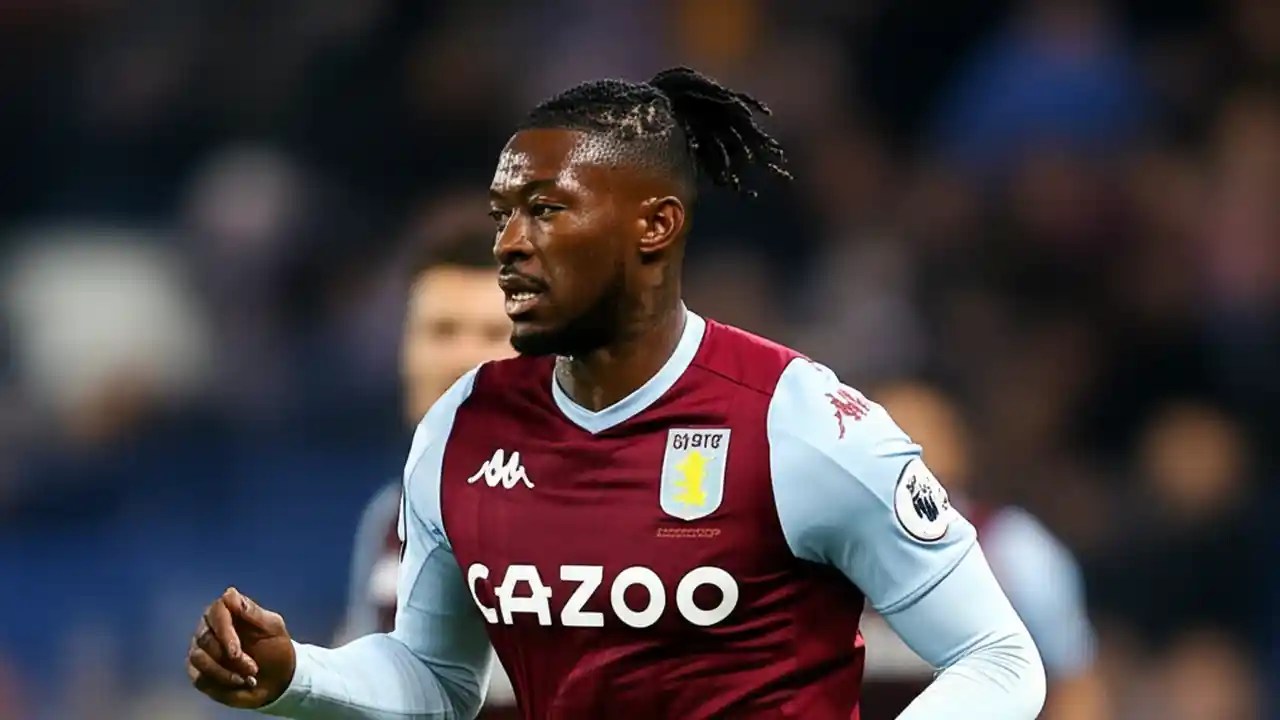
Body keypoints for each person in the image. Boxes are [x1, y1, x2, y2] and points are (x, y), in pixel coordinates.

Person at [186, 66, 1046, 719]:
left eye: (546, 210)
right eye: (502, 214)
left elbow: (999, 659)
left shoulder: (797, 421)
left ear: (655, 225)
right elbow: (436, 677)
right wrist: (296, 674)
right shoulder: (462, 430)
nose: (509, 244)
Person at [335, 202, 519, 716]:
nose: (462, 358)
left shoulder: (603, 515)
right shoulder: (388, 521)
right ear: (404, 350)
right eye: (442, 330)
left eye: (492, 334)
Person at [863, 381, 1107, 720]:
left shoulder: (1013, 548)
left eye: (920, 436)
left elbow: (1075, 681)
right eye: (886, 436)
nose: (903, 453)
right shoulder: (819, 554)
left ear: (957, 452)